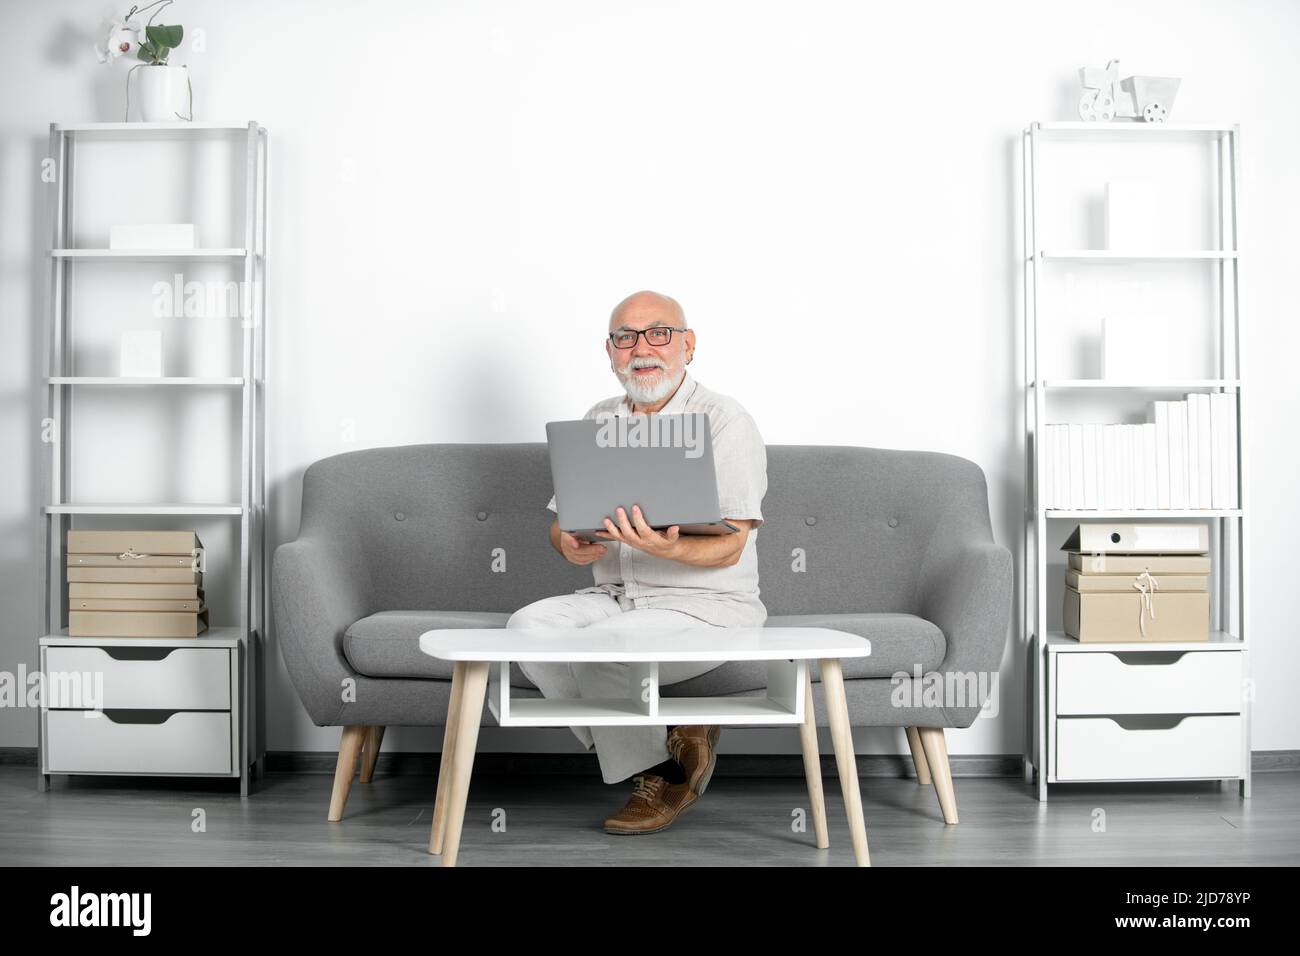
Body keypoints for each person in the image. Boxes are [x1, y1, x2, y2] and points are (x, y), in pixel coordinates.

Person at [507, 290, 768, 834]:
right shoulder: (599, 418)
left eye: (659, 333)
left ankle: (657, 781)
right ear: (610, 350)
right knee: (526, 628)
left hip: (706, 607)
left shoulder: (725, 420)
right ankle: (670, 754)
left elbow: (731, 545)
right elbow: (561, 523)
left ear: (687, 345)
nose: (642, 348)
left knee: (606, 649)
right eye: (625, 337)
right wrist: (568, 543)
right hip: (614, 597)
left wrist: (665, 546)